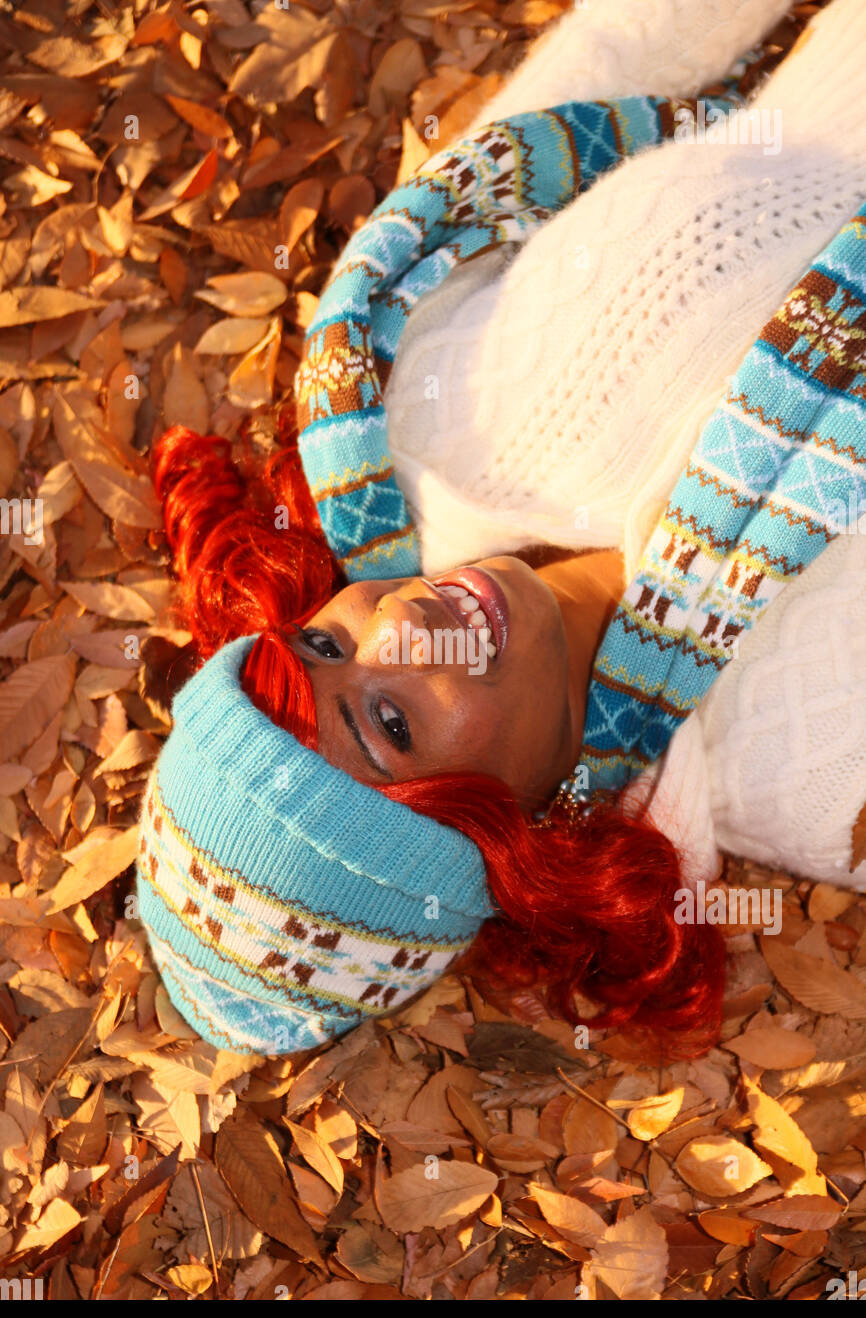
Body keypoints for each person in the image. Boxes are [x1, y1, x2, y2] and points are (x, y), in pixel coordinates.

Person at [136, 0, 865, 1062]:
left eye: (323, 646)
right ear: (498, 838)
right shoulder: (809, 779)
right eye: (390, 723)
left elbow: (624, 50)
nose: (400, 626)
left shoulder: (410, 403)